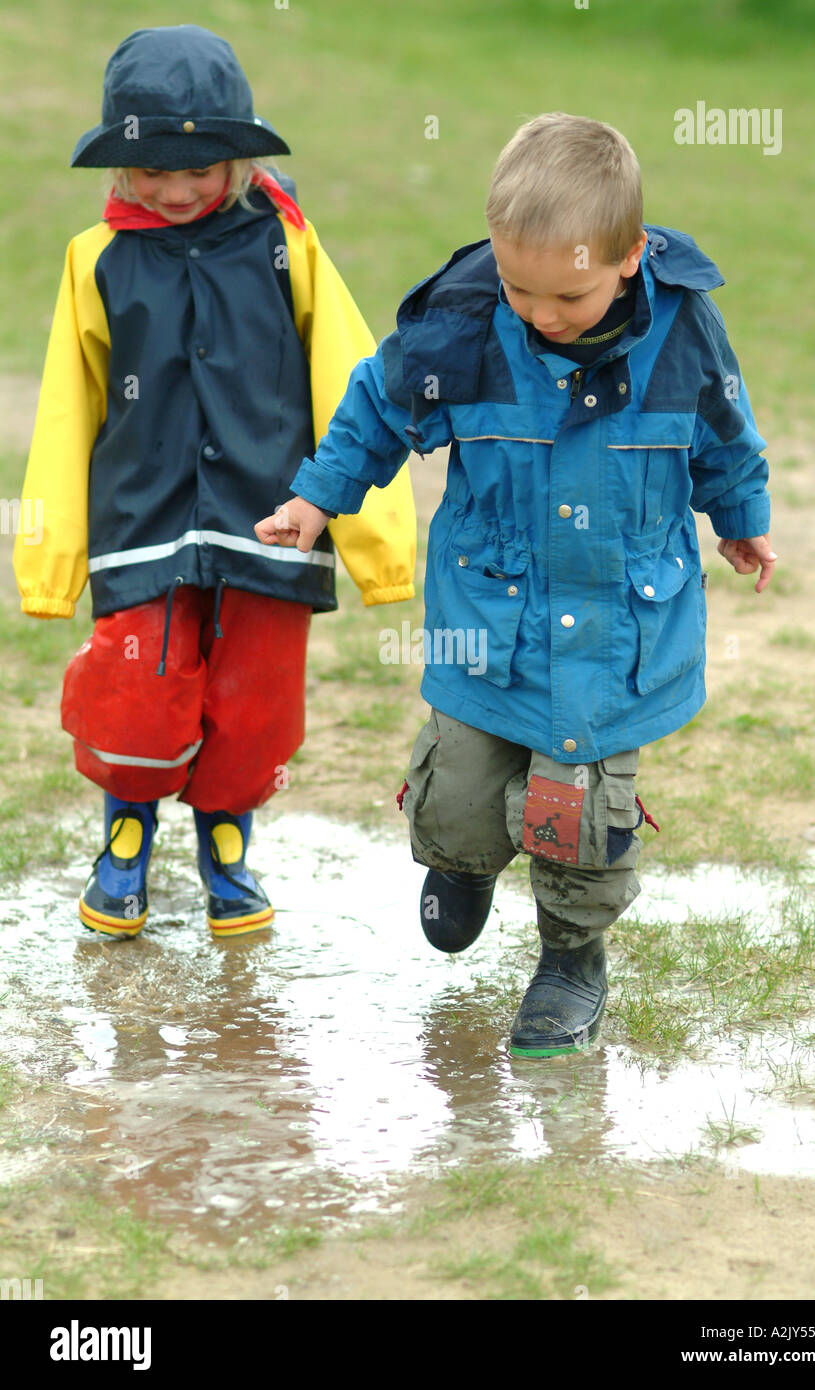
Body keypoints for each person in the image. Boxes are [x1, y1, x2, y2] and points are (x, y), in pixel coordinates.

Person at [255, 113, 776, 1055]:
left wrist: (740, 519)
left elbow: (726, 432)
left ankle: (571, 956)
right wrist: (315, 500)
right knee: (459, 794)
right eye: (517, 286)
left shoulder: (686, 333)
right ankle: (459, 865)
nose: (539, 313)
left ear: (628, 258)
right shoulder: (463, 325)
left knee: (576, 815)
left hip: (617, 634)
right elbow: (377, 405)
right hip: (485, 621)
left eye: (565, 295)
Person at [13, 25, 415, 939]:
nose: (179, 186)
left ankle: (227, 839)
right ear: (120, 166)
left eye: (201, 165)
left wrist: (375, 543)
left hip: (270, 522)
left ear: (237, 157)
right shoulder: (95, 259)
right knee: (135, 690)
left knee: (254, 699)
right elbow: (68, 409)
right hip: (141, 521)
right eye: (153, 168)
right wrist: (51, 560)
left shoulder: (287, 242)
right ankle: (126, 835)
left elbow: (351, 379)